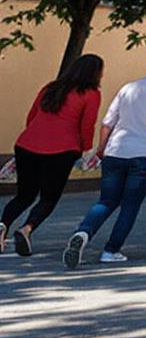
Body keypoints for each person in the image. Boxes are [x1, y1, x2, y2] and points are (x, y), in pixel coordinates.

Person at [65, 49, 146, 267]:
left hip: (115, 151)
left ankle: (83, 232)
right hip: (145, 154)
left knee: (106, 200)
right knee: (130, 205)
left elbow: (107, 122)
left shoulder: (129, 88)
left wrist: (102, 148)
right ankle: (111, 250)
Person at [6, 54, 103, 255]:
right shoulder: (91, 93)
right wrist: (85, 149)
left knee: (24, 195)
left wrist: (33, 136)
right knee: (48, 198)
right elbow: (87, 124)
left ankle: (2, 226)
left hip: (27, 145)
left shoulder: (51, 87)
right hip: (62, 150)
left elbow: (32, 116)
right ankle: (26, 229)